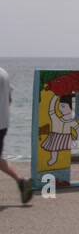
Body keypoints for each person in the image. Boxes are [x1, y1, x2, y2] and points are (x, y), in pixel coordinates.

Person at [0, 67, 33, 204]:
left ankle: (21, 181)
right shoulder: (3, 72)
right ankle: (21, 181)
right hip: (3, 123)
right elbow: (9, 100)